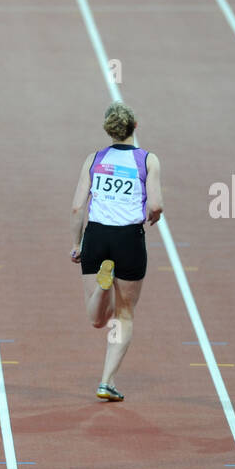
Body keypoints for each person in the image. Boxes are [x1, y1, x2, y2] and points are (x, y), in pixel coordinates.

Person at [69, 100, 163, 402]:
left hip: (96, 235)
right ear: (134, 127)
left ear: (109, 131)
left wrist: (76, 243)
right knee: (123, 314)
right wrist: (154, 216)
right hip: (128, 239)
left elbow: (76, 207)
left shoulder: (94, 159)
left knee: (97, 319)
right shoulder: (148, 160)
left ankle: (101, 284)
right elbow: (156, 205)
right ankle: (106, 382)